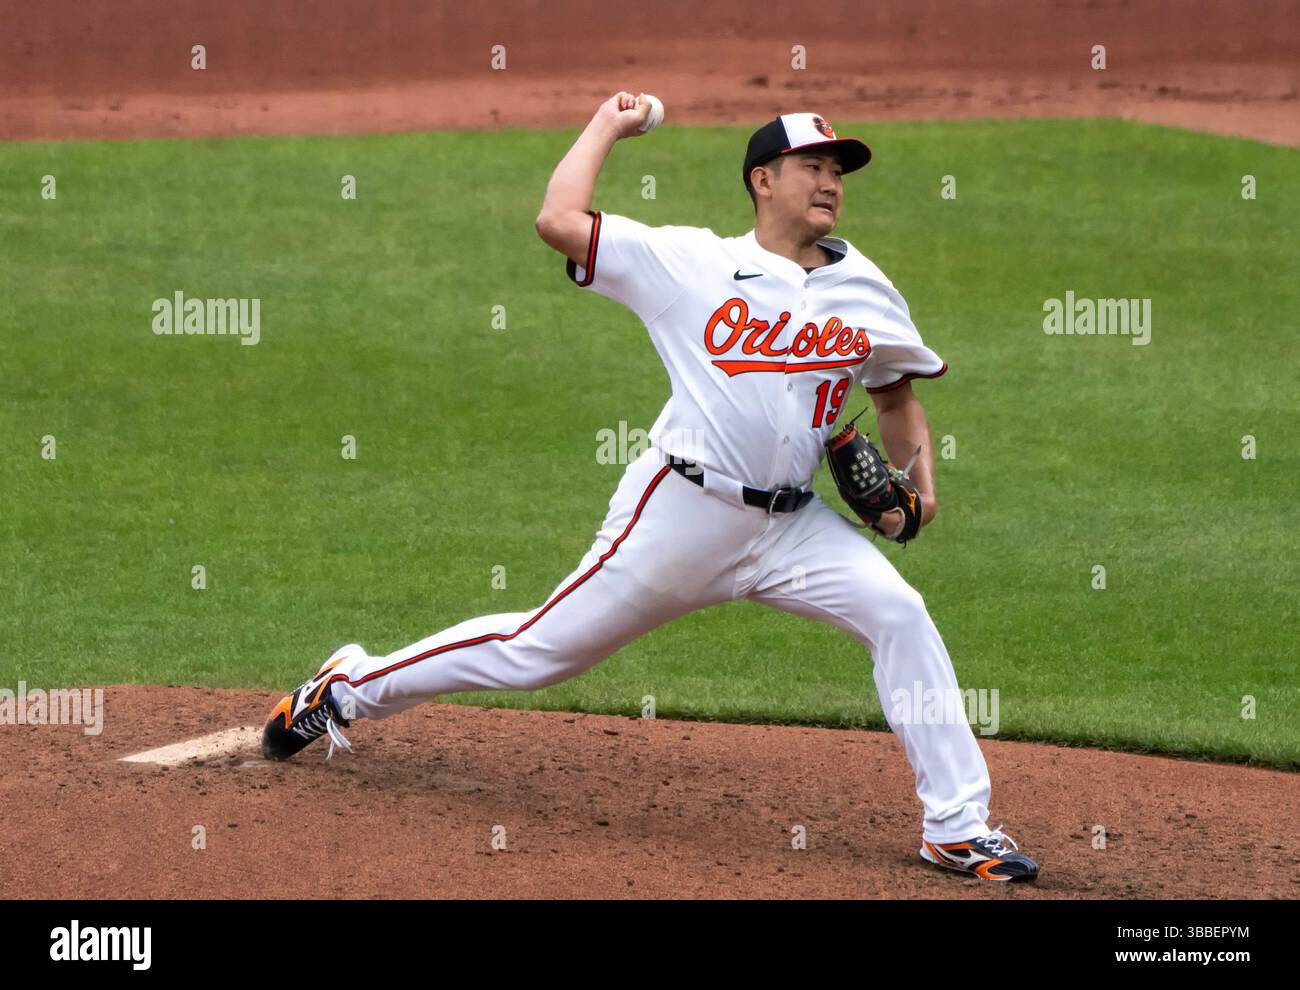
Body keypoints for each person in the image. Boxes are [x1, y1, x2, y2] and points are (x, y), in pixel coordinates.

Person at [261, 92, 1039, 883]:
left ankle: (956, 826)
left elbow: (898, 395)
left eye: (838, 169)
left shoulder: (866, 286)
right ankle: (348, 685)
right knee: (537, 651)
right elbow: (559, 221)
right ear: (763, 181)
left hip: (791, 531)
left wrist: (919, 487)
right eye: (812, 166)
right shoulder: (690, 263)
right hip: (681, 514)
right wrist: (608, 125)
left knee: (899, 611)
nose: (830, 181)